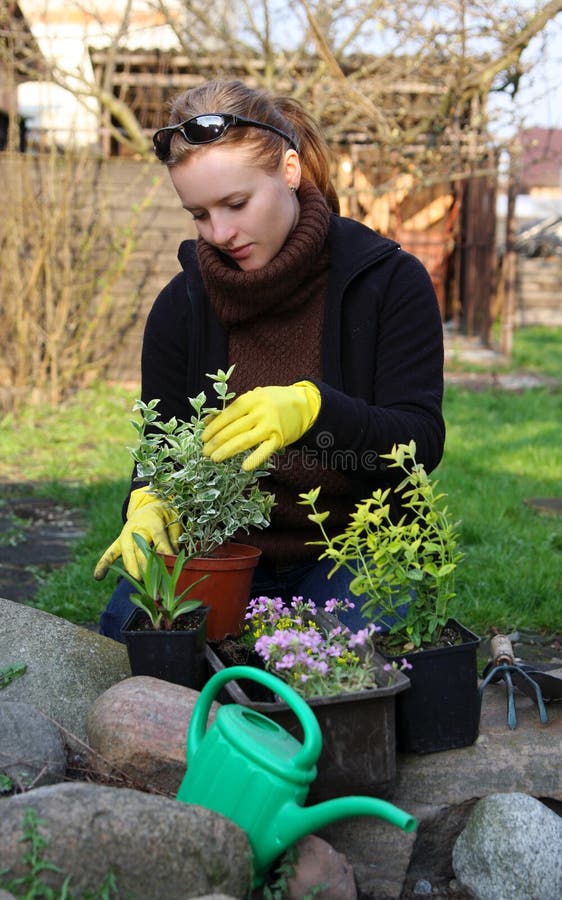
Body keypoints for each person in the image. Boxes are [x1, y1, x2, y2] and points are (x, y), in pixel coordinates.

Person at [95, 79, 445, 640]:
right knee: (129, 653)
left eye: (236, 204)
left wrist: (315, 413)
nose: (221, 233)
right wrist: (146, 500)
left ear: (288, 170)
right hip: (221, 553)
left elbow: (421, 443)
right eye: (199, 214)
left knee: (349, 679)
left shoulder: (388, 283)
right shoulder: (181, 307)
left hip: (353, 554)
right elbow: (160, 449)